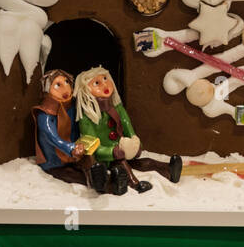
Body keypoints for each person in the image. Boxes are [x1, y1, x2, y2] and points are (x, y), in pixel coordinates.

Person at [73, 66, 182, 195]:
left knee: (142, 162)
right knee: (121, 164)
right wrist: (112, 152)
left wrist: (135, 141)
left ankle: (168, 169)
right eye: (97, 83)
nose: (104, 85)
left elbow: (127, 125)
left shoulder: (117, 107)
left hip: (122, 148)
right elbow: (92, 145)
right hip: (104, 155)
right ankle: (134, 183)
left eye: (105, 79)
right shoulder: (87, 117)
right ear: (85, 90)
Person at [32, 69, 97, 187]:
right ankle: (97, 181)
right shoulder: (45, 115)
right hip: (55, 160)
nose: (65, 88)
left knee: (89, 162)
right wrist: (70, 147)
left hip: (74, 154)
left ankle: (99, 175)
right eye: (58, 85)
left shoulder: (71, 106)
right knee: (72, 174)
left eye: (67, 82)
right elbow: (52, 137)